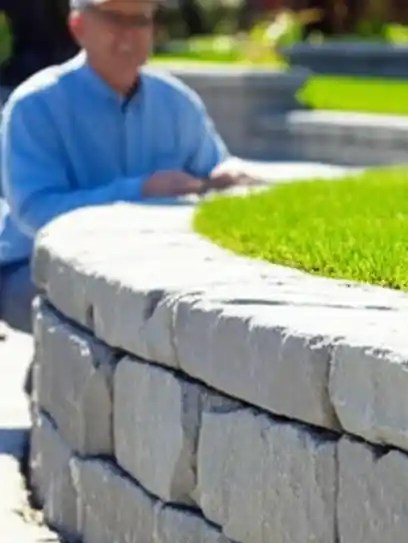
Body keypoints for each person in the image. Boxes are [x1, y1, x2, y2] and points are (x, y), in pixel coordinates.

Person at [0, 0, 255, 333]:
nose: (129, 34)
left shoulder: (176, 101)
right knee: (122, 312)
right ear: (78, 26)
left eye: (141, 20)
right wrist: (140, 191)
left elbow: (214, 165)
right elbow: (35, 211)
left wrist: (228, 175)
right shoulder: (35, 105)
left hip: (145, 264)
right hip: (32, 265)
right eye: (113, 19)